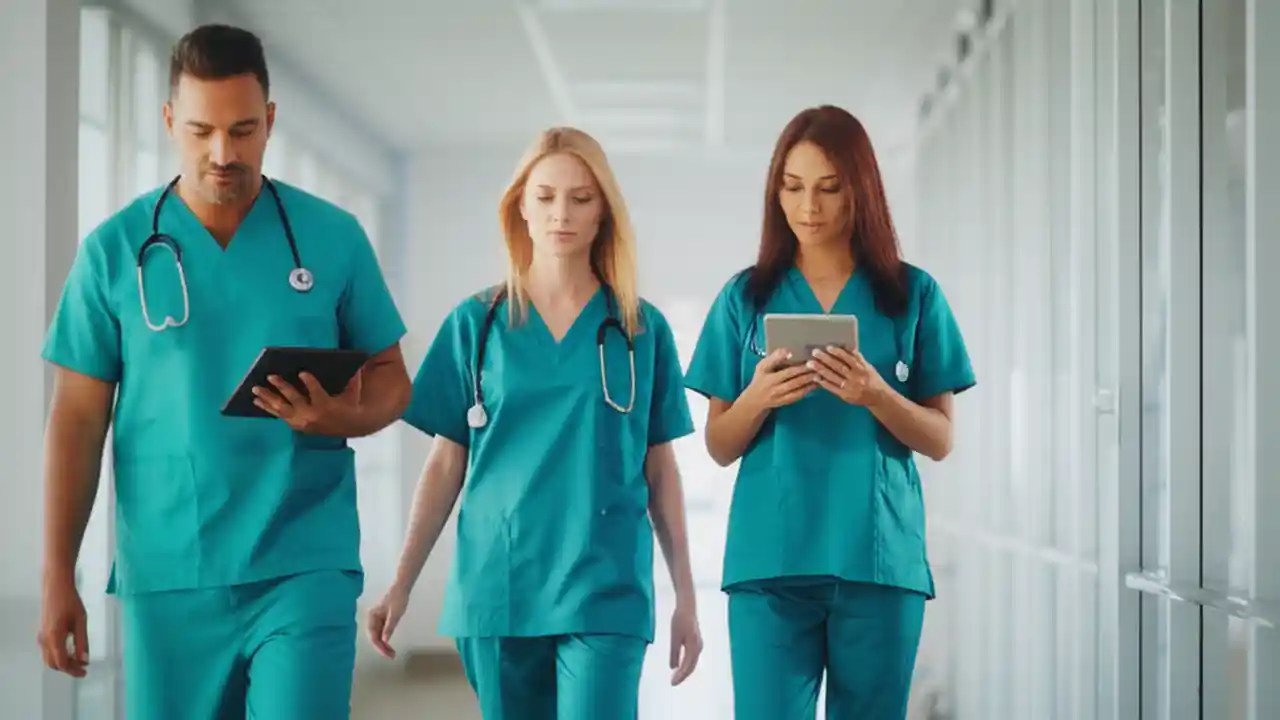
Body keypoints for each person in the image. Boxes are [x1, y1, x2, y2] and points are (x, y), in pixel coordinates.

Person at [36, 24, 410, 720]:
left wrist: (340, 416)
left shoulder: (332, 238)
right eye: (202, 130)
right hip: (171, 571)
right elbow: (78, 419)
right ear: (170, 120)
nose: (222, 153)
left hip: (304, 559)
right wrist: (60, 571)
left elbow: (393, 378)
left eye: (243, 130)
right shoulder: (114, 253)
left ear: (269, 122)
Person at [365, 126, 703, 718]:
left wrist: (686, 596)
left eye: (580, 198)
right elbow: (447, 462)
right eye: (545, 197)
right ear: (520, 205)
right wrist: (401, 582)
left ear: (604, 212)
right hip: (500, 584)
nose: (560, 214)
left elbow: (660, 467)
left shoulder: (639, 329)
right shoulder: (477, 323)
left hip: (605, 582)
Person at [683, 105, 976, 720]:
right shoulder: (745, 298)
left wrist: (876, 395)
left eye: (828, 188)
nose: (807, 207)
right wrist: (759, 398)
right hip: (771, 561)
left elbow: (941, 438)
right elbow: (719, 444)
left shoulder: (912, 295)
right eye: (791, 187)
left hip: (876, 559)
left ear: (860, 191)